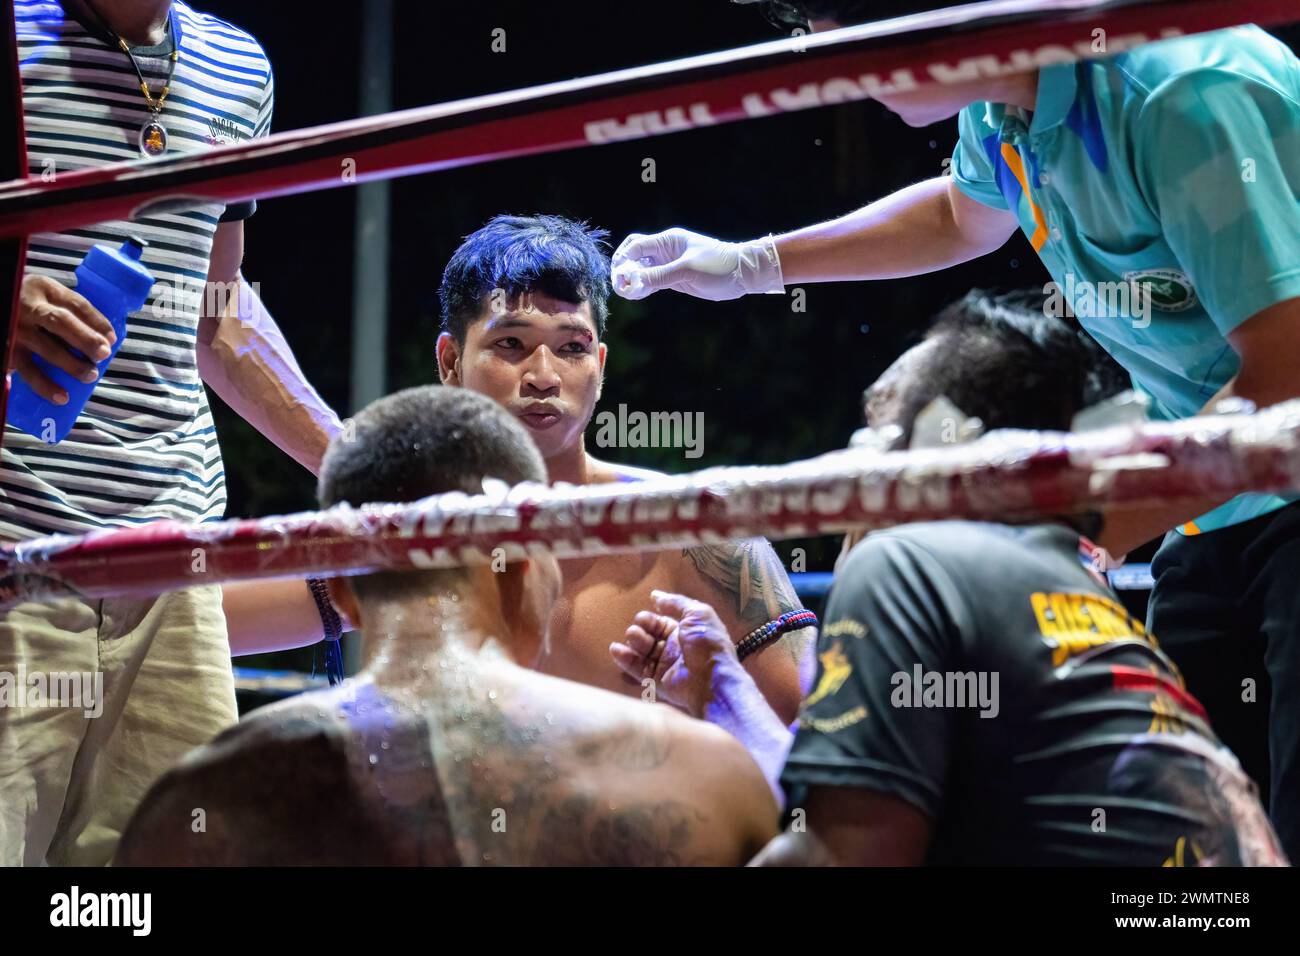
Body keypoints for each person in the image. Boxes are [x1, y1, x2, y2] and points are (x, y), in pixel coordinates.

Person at [614, 0, 1300, 855]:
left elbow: (1287, 378)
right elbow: (958, 214)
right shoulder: (1006, 106)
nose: (851, 82)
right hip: (1200, 503)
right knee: (1190, 848)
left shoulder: (1182, 90)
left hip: (1258, 470)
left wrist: (1075, 533)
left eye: (863, 53)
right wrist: (752, 265)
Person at [613, 291, 1287, 866]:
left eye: (880, 420)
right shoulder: (1063, 580)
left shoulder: (909, 564)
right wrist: (730, 695)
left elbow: (849, 852)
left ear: (943, 448)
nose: (853, 451)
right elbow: (859, 804)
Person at [113, 386, 778, 866]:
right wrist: (733, 702)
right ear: (522, 566)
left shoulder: (203, 797)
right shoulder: (699, 775)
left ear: (343, 593)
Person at [1, 0, 340, 866]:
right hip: (12, 550)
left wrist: (360, 460)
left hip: (172, 563)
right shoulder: (13, 35)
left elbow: (216, 310)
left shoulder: (241, 68)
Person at [432, 214, 814, 723]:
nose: (544, 376)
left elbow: (817, 741)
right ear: (451, 362)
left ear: (601, 364)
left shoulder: (694, 528)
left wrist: (725, 701)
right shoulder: (400, 532)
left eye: (572, 348)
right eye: (511, 344)